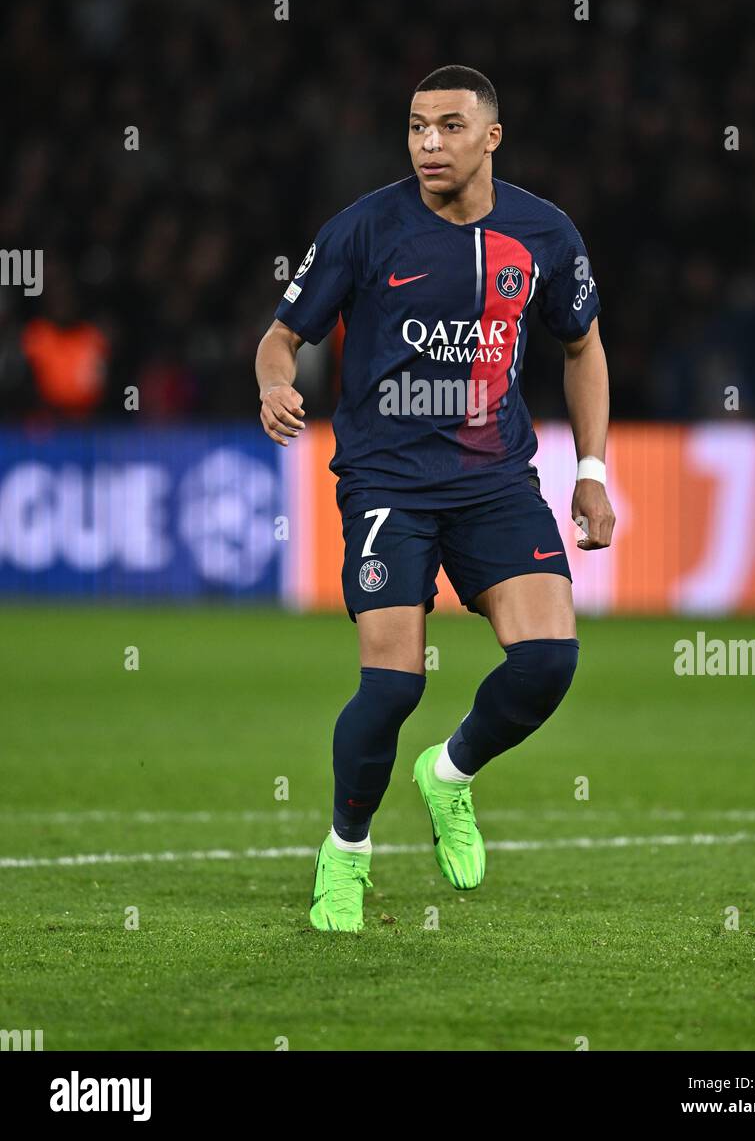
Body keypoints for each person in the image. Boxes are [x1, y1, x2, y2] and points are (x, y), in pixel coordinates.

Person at [255, 65, 616, 932]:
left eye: (450, 127)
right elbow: (281, 335)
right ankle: (346, 854)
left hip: (495, 479)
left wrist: (593, 469)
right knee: (391, 687)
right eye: (417, 127)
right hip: (388, 482)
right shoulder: (365, 228)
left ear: (491, 136)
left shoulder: (545, 234)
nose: (428, 144)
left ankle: (448, 776)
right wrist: (274, 384)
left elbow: (583, 345)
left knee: (548, 663)